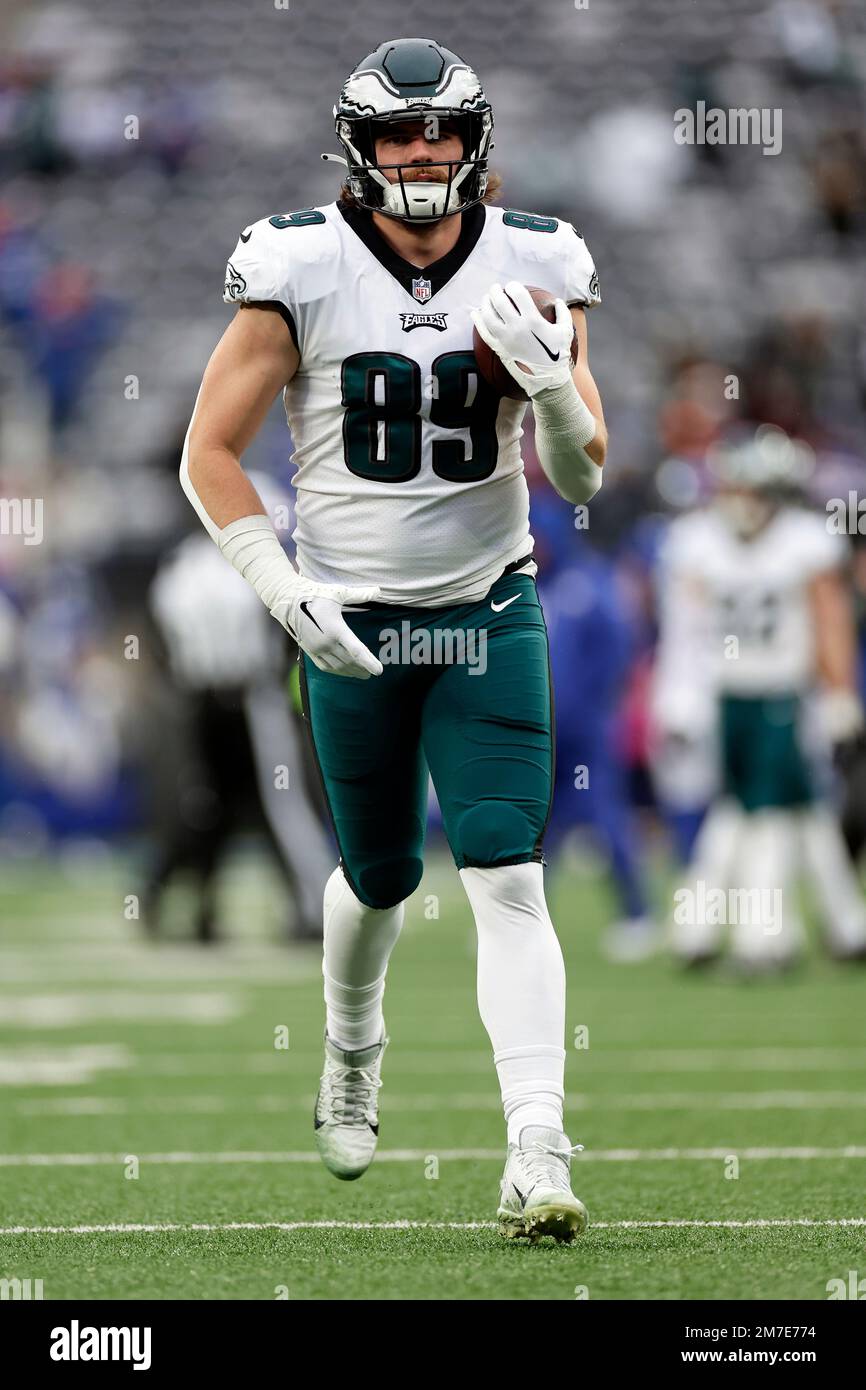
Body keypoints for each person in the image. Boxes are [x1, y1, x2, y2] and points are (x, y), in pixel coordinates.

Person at [180, 37, 607, 1242]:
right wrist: (282, 589)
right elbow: (205, 451)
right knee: (377, 876)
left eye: (438, 134)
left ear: (474, 139)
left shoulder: (537, 255)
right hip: (348, 623)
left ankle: (536, 1142)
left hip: (486, 606)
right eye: (395, 137)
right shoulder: (299, 261)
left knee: (503, 869)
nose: (420, 156)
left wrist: (558, 394)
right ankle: (351, 1054)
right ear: (356, 148)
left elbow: (583, 472)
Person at [655, 426, 866, 970]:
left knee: (767, 812)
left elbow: (829, 623)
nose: (743, 500)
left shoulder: (805, 542)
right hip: (726, 698)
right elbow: (683, 634)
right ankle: (836, 926)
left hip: (782, 697)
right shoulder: (696, 542)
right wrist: (678, 701)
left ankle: (759, 937)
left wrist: (840, 697)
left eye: (755, 489)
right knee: (772, 808)